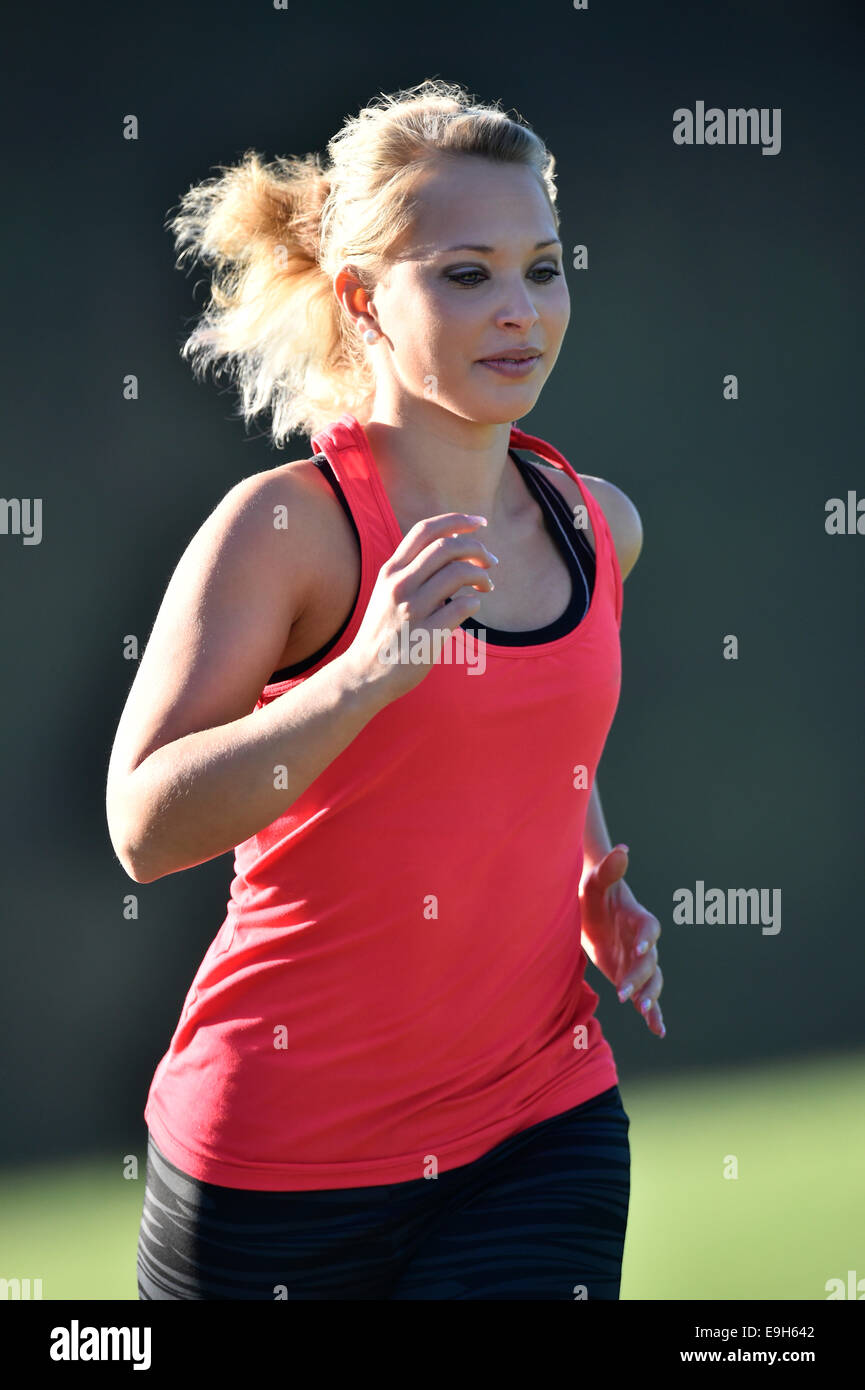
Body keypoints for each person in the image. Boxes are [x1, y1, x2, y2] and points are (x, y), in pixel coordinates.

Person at [107, 77, 665, 1301]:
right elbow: (143, 829)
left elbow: (538, 744)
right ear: (363, 299)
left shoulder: (596, 525)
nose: (520, 310)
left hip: (537, 1122)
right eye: (466, 274)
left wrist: (589, 877)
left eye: (543, 266)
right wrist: (362, 676)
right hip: (276, 1169)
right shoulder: (285, 530)